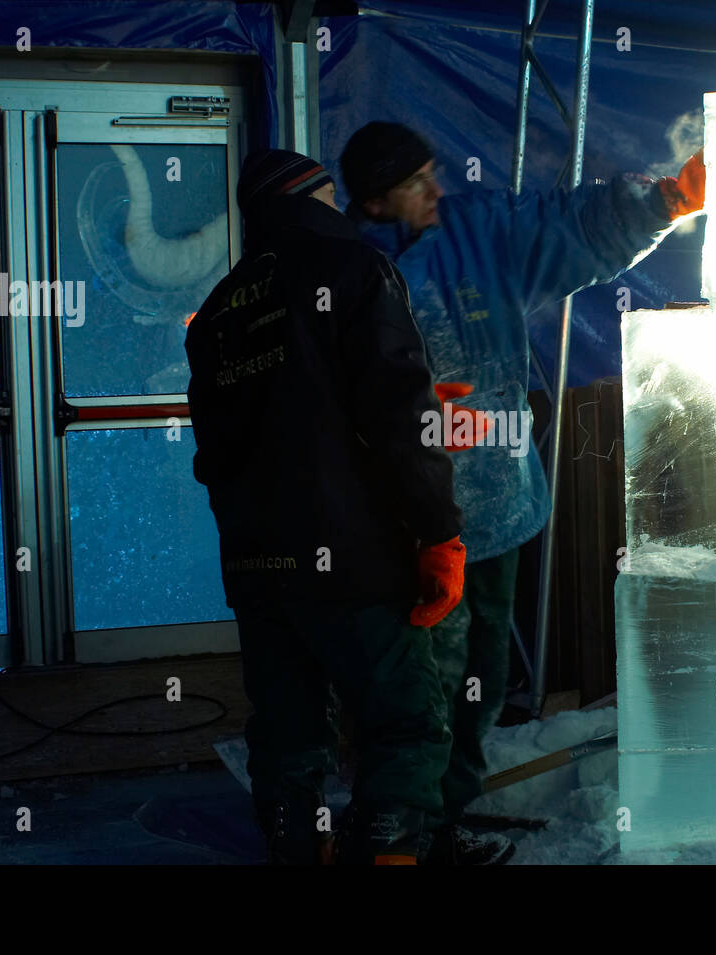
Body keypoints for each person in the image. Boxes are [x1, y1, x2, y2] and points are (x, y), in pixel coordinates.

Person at [340, 121, 705, 864]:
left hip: (497, 508)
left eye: (433, 171)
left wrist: (665, 200)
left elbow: (566, 226)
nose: (436, 189)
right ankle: (395, 833)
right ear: (374, 203)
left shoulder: (480, 234)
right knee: (421, 682)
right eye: (415, 183)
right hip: (406, 522)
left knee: (481, 673)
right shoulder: (347, 275)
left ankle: (444, 820)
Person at [186, 148, 468, 865]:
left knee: (288, 735)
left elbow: (222, 454)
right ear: (317, 199)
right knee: (405, 724)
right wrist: (440, 533)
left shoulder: (217, 311)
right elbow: (402, 420)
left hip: (259, 566)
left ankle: (296, 850)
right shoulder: (354, 271)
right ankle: (387, 855)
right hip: (356, 560)